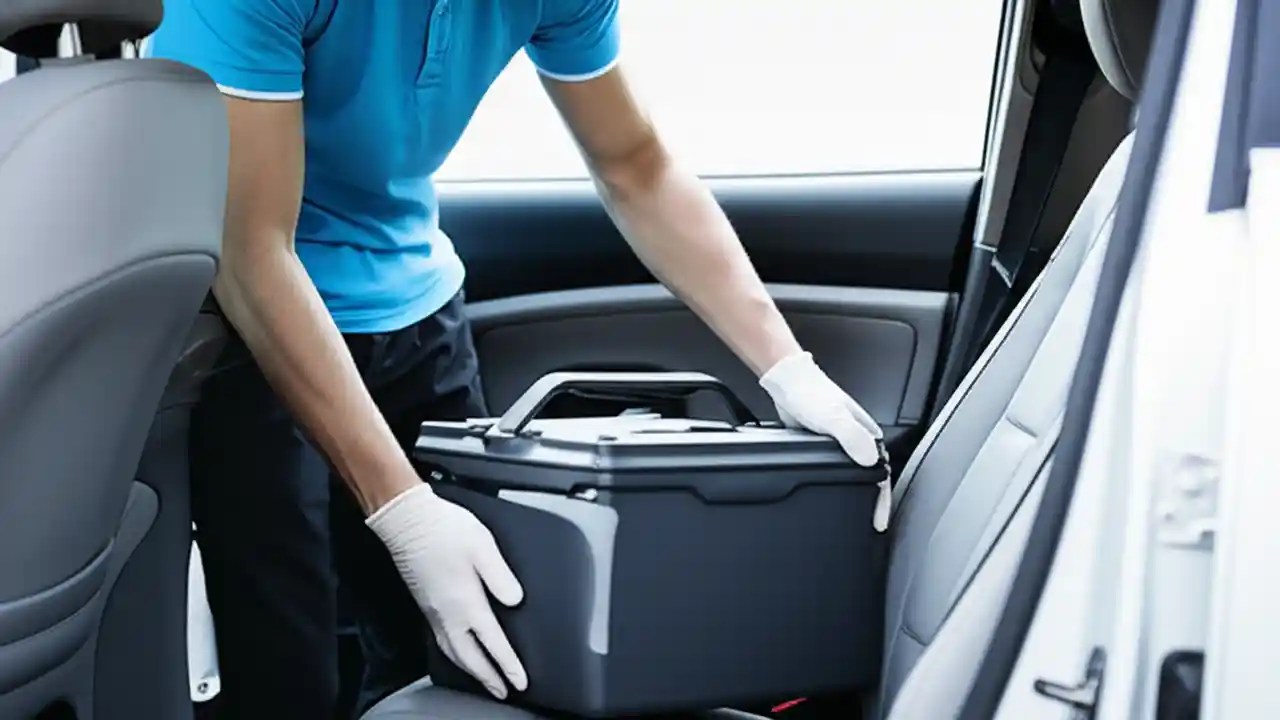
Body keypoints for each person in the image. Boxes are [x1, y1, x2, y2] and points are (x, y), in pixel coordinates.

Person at [148, 2, 886, 718]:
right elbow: (250, 251)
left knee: (474, 652)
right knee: (289, 671)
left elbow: (634, 164)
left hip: (417, 308)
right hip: (253, 330)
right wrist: (404, 511)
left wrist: (787, 367)